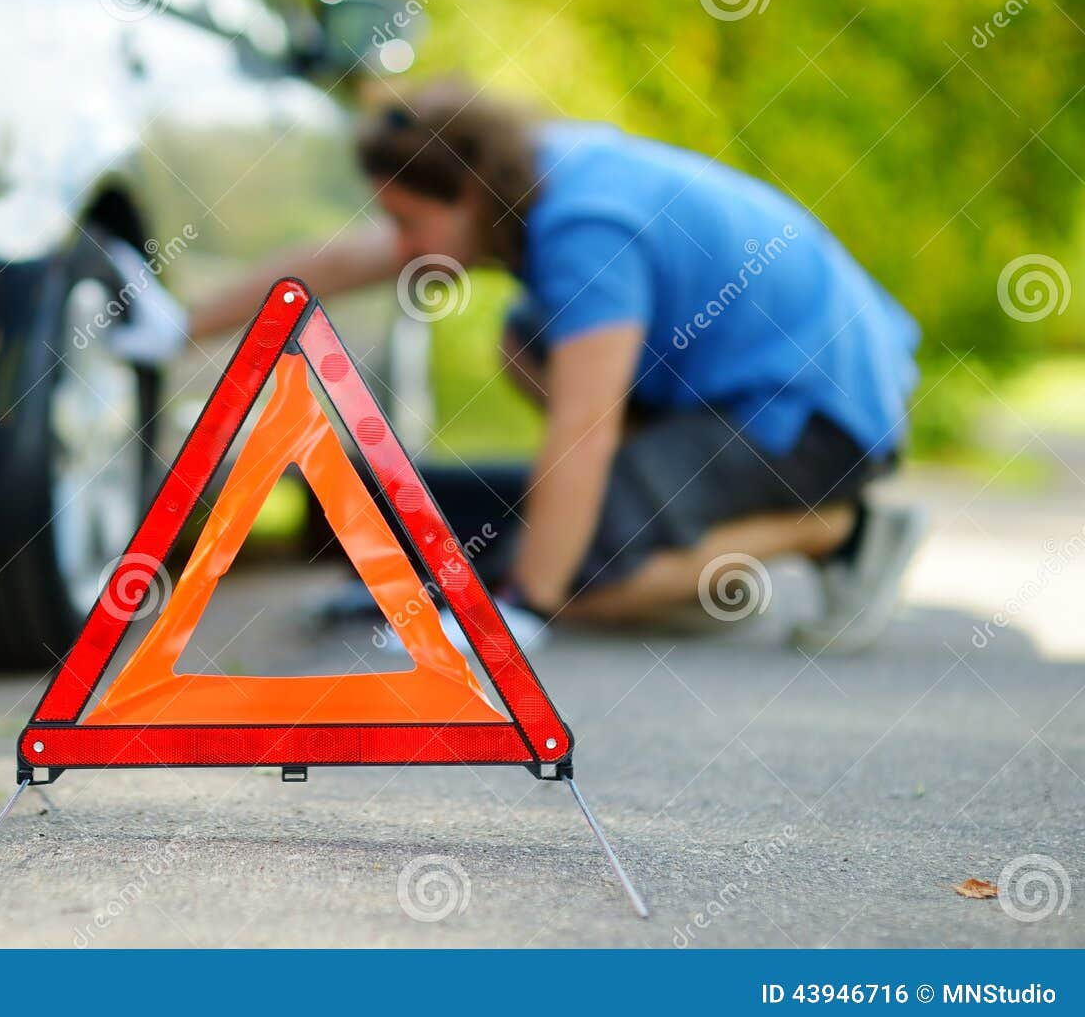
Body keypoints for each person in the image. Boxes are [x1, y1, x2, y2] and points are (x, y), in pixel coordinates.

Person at [111, 83, 924, 654]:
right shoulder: (529, 174)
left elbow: (584, 424)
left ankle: (838, 530)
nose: (399, 245)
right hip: (754, 389)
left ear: (467, 193)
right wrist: (181, 326)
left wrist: (523, 606)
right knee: (523, 337)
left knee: (580, 582)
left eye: (407, 220)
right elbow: (340, 262)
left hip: (818, 415)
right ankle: (677, 550)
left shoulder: (584, 229)